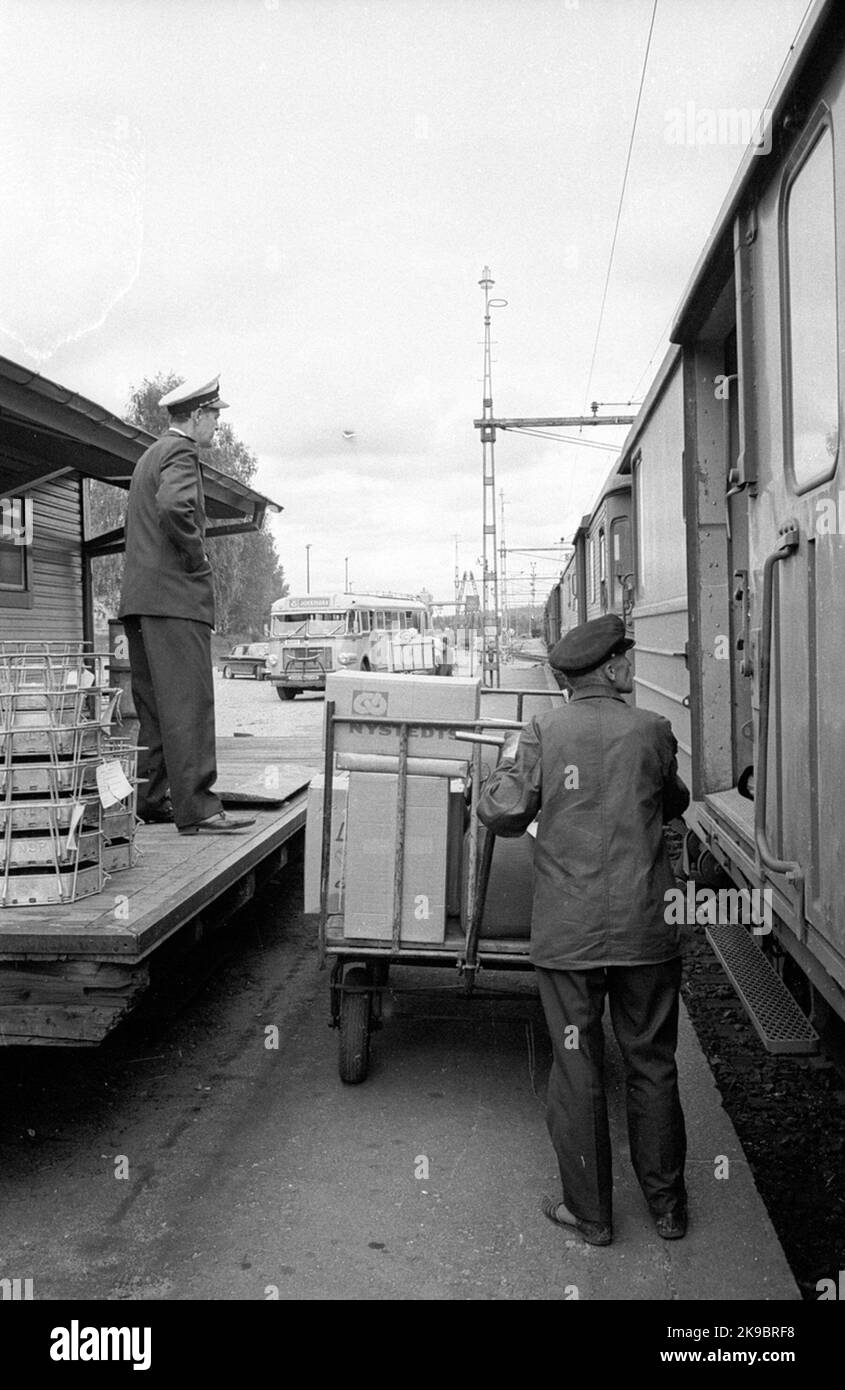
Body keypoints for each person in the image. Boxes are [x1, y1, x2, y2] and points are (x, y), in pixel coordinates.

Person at [477, 614, 690, 1247]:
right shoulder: (653, 731)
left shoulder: (544, 729)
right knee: (652, 1061)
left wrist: (498, 773)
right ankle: (669, 1209)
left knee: (576, 1064)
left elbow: (504, 814)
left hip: (569, 936)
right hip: (644, 931)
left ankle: (590, 1214)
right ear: (617, 669)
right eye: (628, 660)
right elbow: (673, 802)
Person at [118, 375, 255, 836]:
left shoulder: (148, 456)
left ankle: (153, 799)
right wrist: (197, 559)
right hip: (175, 599)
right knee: (190, 703)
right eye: (215, 416)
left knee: (155, 706)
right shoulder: (181, 452)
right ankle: (199, 808)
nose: (217, 425)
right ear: (195, 416)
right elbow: (176, 509)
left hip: (141, 601)